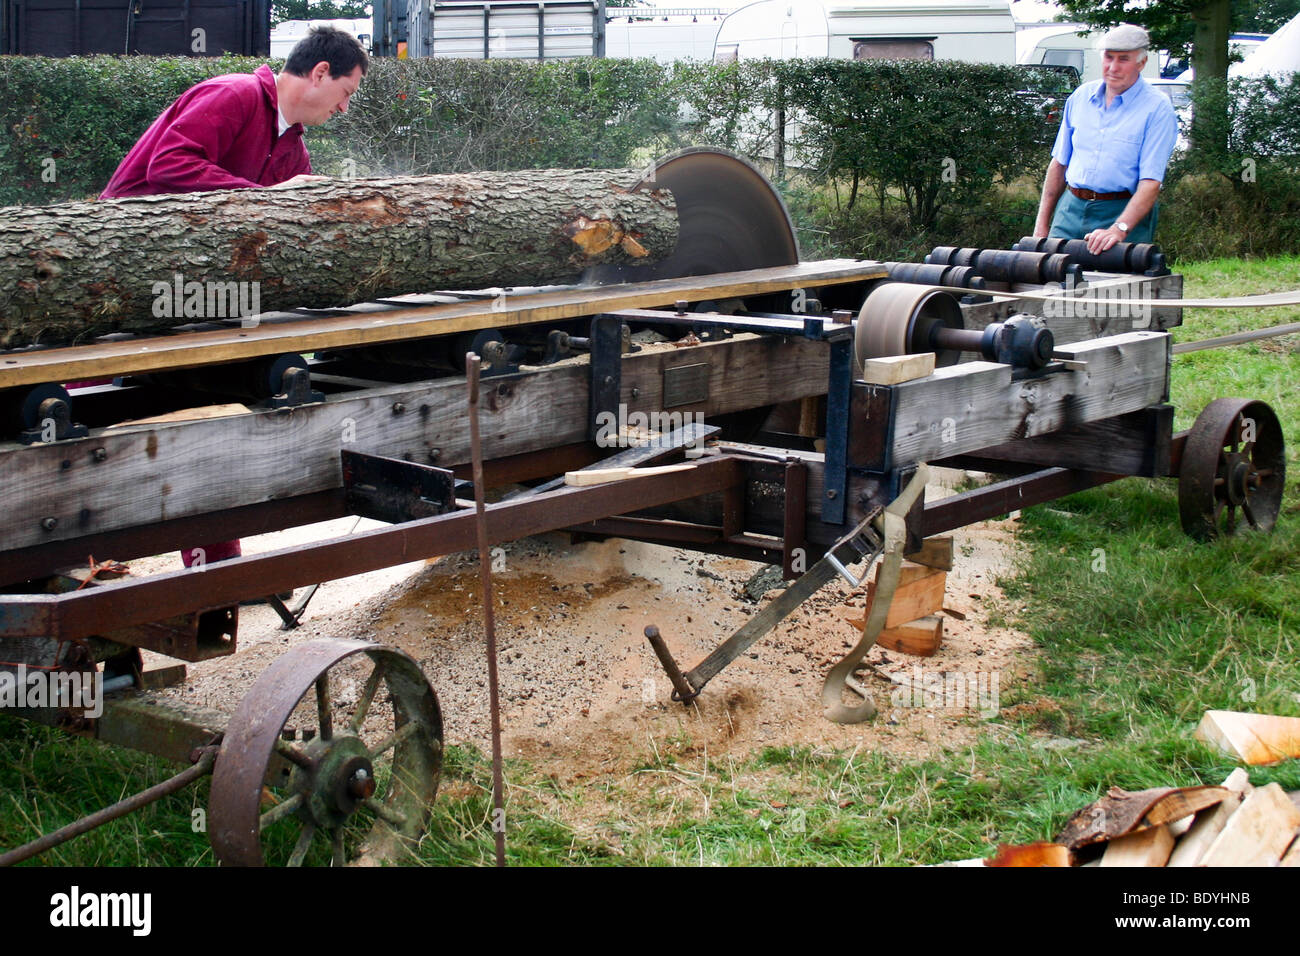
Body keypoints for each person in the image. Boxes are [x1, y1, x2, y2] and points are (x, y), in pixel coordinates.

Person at [99, 24, 367, 577]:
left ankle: (215, 571)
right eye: (346, 94)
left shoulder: (291, 145)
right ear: (320, 74)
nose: (344, 109)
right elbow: (168, 168)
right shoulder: (234, 94)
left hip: (198, 298)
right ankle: (90, 562)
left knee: (217, 416)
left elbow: (291, 231)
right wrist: (264, 201)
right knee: (118, 416)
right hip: (123, 282)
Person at [1032, 23, 1179, 255]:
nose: (1113, 67)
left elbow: (1151, 183)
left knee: (1114, 288)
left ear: (1141, 63)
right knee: (1050, 279)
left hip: (1122, 210)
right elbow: (1059, 163)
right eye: (1109, 57)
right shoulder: (1080, 98)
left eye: (1123, 59)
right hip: (1070, 207)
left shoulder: (1158, 109)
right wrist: (1041, 224)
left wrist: (1118, 229)